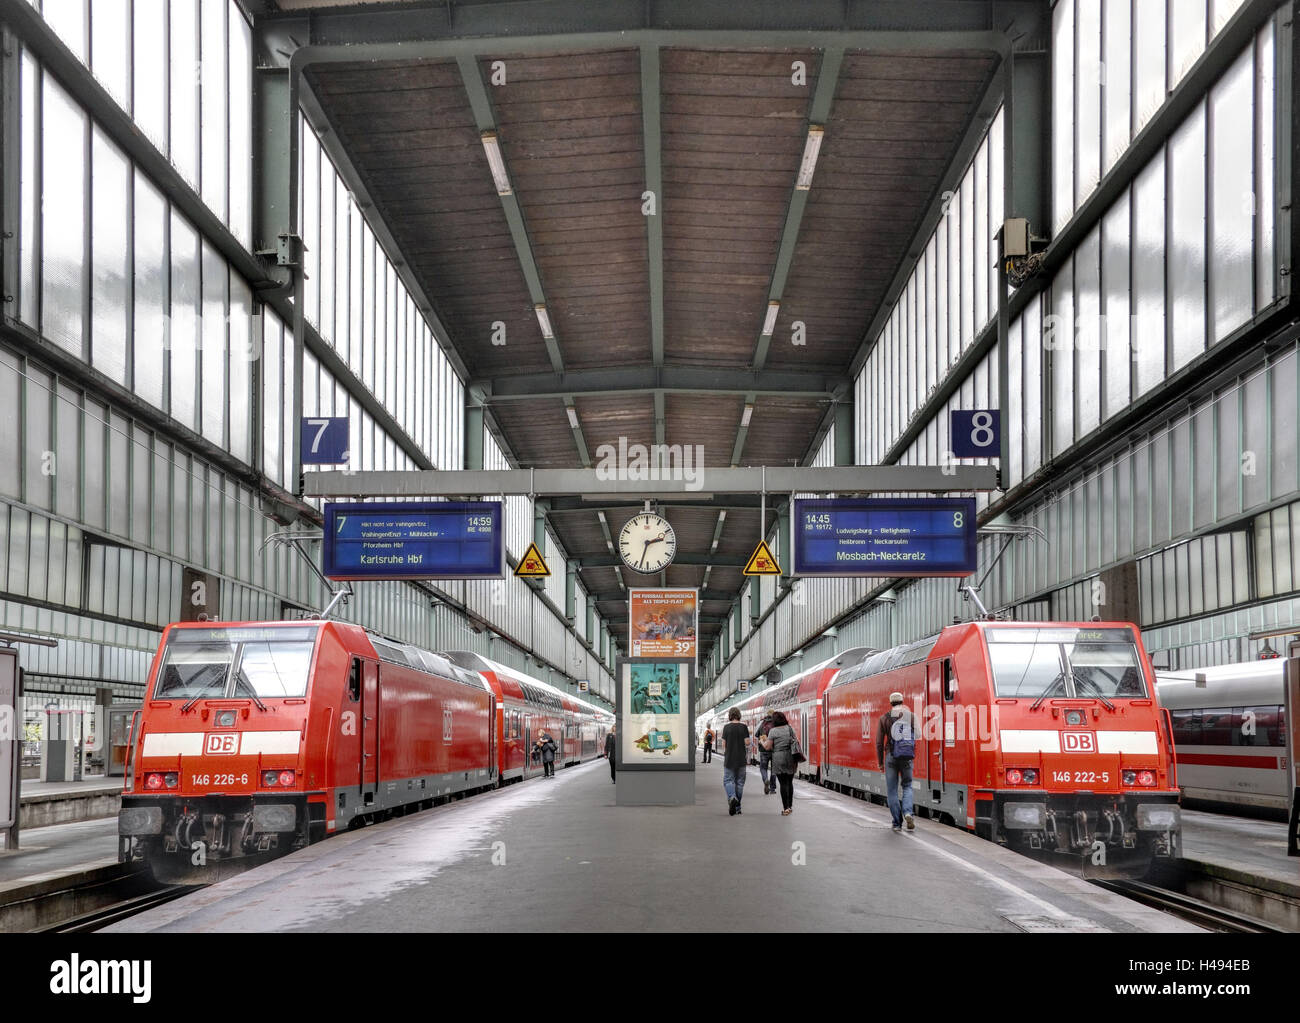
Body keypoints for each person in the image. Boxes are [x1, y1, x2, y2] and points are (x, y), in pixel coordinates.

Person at [876, 691, 916, 832]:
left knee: (892, 790)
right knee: (908, 785)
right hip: (906, 756)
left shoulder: (884, 719)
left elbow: (879, 743)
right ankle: (908, 813)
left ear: (891, 702)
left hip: (891, 756)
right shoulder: (911, 717)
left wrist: (880, 762)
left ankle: (897, 823)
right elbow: (916, 736)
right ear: (902, 702)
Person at [720, 707, 751, 816]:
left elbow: (723, 745)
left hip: (729, 759)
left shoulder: (726, 727)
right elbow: (747, 743)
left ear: (730, 715)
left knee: (728, 781)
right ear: (739, 715)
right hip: (741, 759)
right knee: (740, 783)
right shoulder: (744, 727)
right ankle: (738, 808)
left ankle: (732, 797)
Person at [767, 711, 798, 815]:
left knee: (783, 783)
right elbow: (795, 741)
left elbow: (768, 747)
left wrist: (763, 742)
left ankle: (786, 808)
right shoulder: (790, 728)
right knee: (789, 782)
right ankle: (790, 806)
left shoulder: (773, 731)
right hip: (790, 757)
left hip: (778, 757)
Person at [755, 712, 775, 795]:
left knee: (763, 768)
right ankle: (772, 789)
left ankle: (766, 780)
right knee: (774, 770)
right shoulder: (775, 723)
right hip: (774, 750)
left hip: (763, 750)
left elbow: (756, 735)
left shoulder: (762, 723)